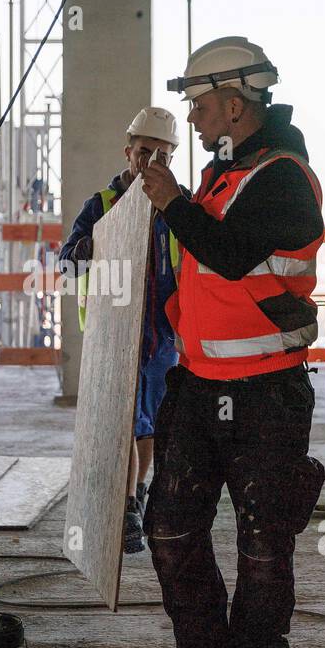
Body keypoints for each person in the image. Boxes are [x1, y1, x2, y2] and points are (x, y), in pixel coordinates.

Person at [138, 36, 325, 648]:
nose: (190, 117)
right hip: (198, 387)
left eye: (197, 103)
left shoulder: (283, 175)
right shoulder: (225, 172)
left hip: (266, 393)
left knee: (263, 541)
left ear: (234, 101)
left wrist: (173, 202)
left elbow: (232, 253)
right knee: (169, 525)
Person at [59, 107, 189, 554]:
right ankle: (129, 502)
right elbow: (67, 264)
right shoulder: (101, 205)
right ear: (128, 151)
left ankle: (139, 490)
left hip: (163, 333)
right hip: (114, 330)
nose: (152, 162)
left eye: (162, 156)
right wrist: (91, 244)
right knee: (126, 417)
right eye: (144, 152)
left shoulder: (179, 204)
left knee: (149, 421)